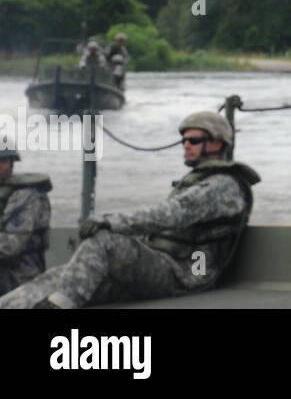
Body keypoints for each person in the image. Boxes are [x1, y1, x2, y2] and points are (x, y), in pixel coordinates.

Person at [0, 111, 259, 309]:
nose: (186, 145)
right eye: (184, 140)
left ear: (215, 144)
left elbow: (171, 214)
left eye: (193, 140)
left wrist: (110, 222)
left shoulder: (223, 185)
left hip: (189, 273)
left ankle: (58, 306)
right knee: (61, 275)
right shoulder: (203, 180)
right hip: (165, 266)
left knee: (105, 242)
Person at [0, 148, 51, 295]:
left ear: (11, 164)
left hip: (19, 274)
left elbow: (9, 246)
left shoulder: (26, 195)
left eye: (2, 161)